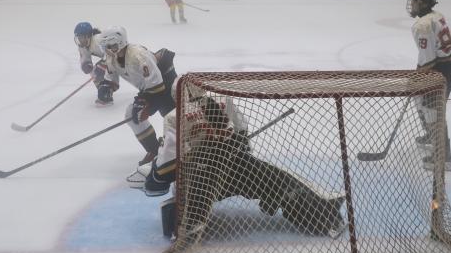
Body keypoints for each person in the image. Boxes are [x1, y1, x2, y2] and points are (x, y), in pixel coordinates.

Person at [135, 96, 346, 239]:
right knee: (279, 180)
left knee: (183, 197)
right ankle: (324, 214)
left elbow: (165, 170)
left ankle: (189, 221)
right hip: (236, 169)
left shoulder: (173, 117)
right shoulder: (221, 100)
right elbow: (243, 134)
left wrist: (153, 176)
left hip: (201, 182)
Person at [407, 0, 451, 172]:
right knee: (420, 99)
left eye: (416, 1)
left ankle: (443, 156)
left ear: (424, 4)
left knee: (433, 109)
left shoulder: (422, 26)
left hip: (443, 67)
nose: (412, 4)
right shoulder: (435, 15)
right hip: (448, 61)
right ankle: (431, 135)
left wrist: (419, 77)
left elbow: (428, 60)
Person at [97, 27, 177, 166]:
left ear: (119, 43)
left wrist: (143, 101)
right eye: (105, 47)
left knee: (174, 120)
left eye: (110, 46)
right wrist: (107, 87)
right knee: (132, 115)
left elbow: (157, 84)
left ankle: (181, 152)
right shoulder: (111, 58)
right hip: (150, 89)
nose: (107, 50)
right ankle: (154, 150)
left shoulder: (138, 55)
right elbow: (112, 79)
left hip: (166, 86)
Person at [73, 21, 118, 106]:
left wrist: (103, 65)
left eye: (82, 37)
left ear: (89, 36)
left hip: (119, 58)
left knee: (99, 69)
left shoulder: (98, 40)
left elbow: (113, 53)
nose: (80, 40)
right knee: (94, 71)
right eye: (79, 38)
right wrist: (86, 64)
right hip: (111, 60)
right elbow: (84, 58)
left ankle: (108, 88)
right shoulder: (82, 46)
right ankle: (105, 90)